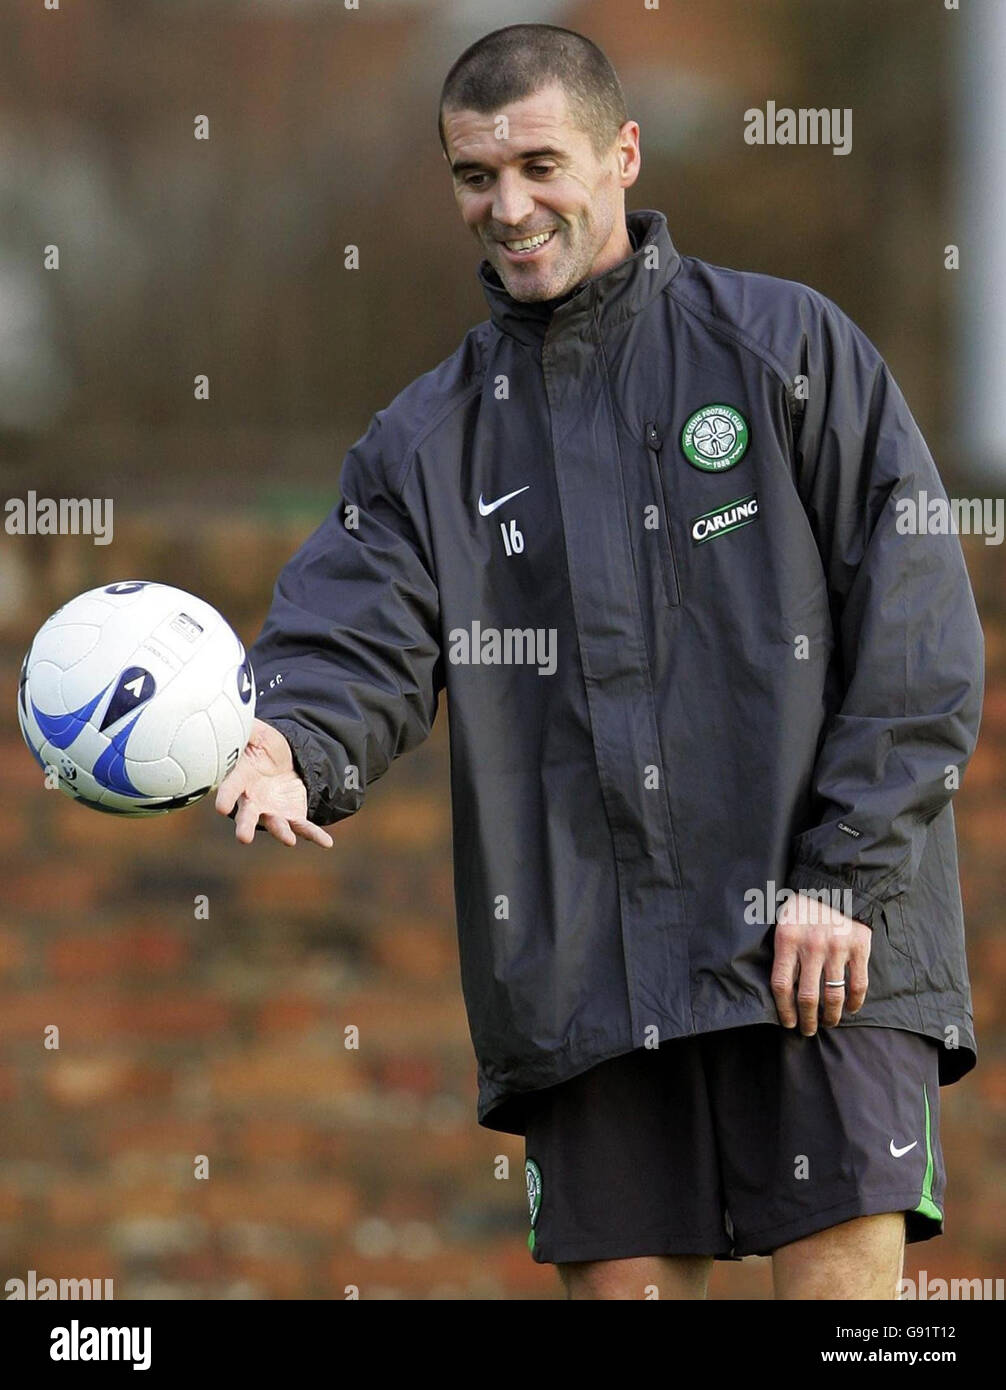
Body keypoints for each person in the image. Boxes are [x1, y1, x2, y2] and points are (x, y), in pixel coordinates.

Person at [216, 24, 984, 1300]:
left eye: (539, 164)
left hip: (824, 947)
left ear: (621, 154)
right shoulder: (426, 443)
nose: (507, 206)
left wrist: (841, 875)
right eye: (474, 176)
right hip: (582, 974)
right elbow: (349, 634)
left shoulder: (789, 347)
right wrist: (288, 738)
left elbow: (918, 635)